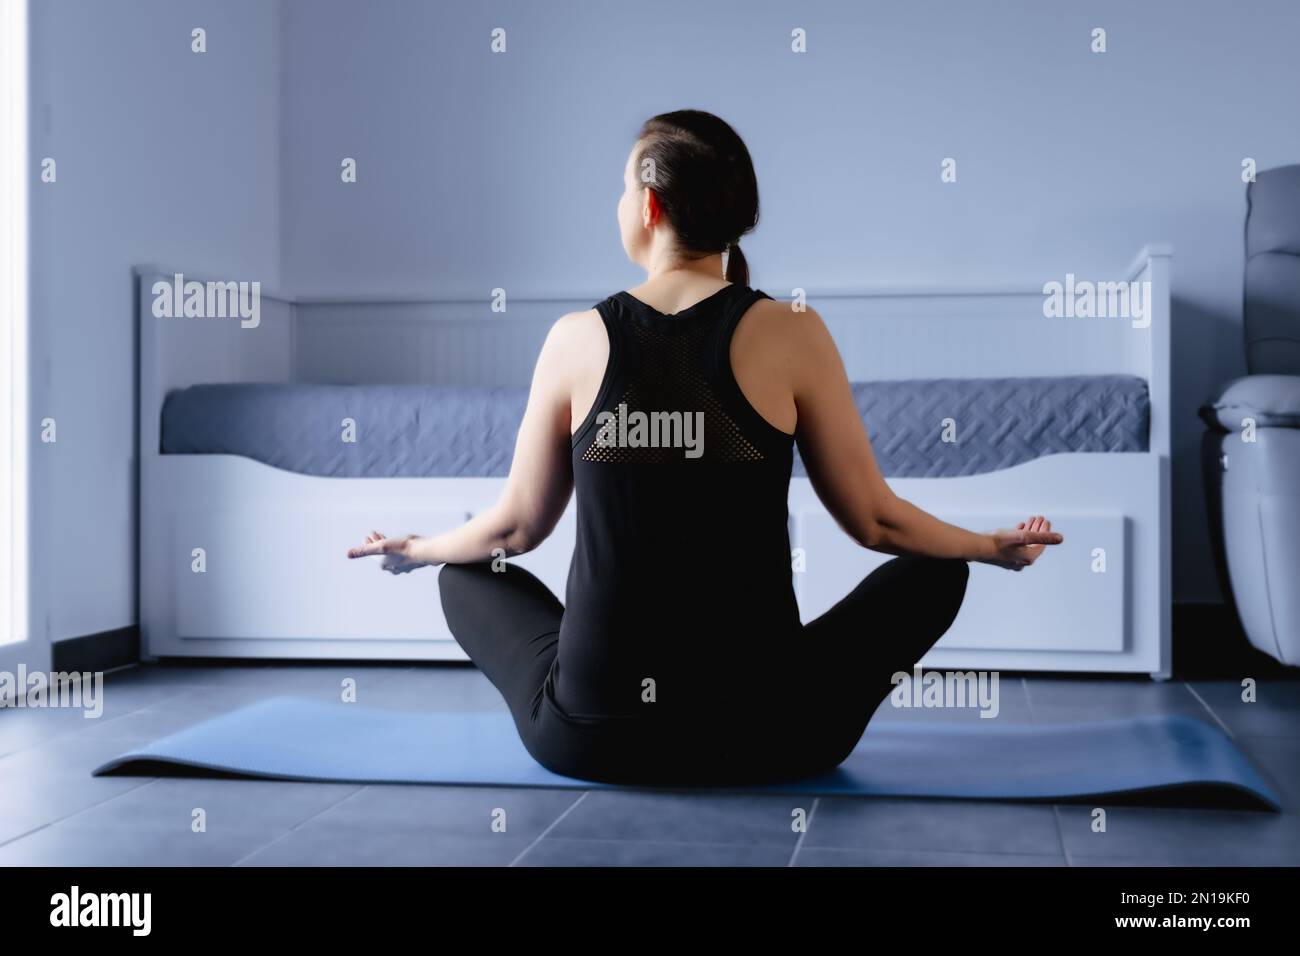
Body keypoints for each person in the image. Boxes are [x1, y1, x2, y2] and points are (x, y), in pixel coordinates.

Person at [348, 109, 1062, 786]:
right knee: (937, 572)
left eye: (624, 186)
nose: (619, 203)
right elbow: (874, 522)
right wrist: (983, 546)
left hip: (589, 739)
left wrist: (416, 549)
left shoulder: (574, 338)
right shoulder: (794, 331)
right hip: (772, 739)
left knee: (465, 573)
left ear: (651, 206)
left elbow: (514, 530)